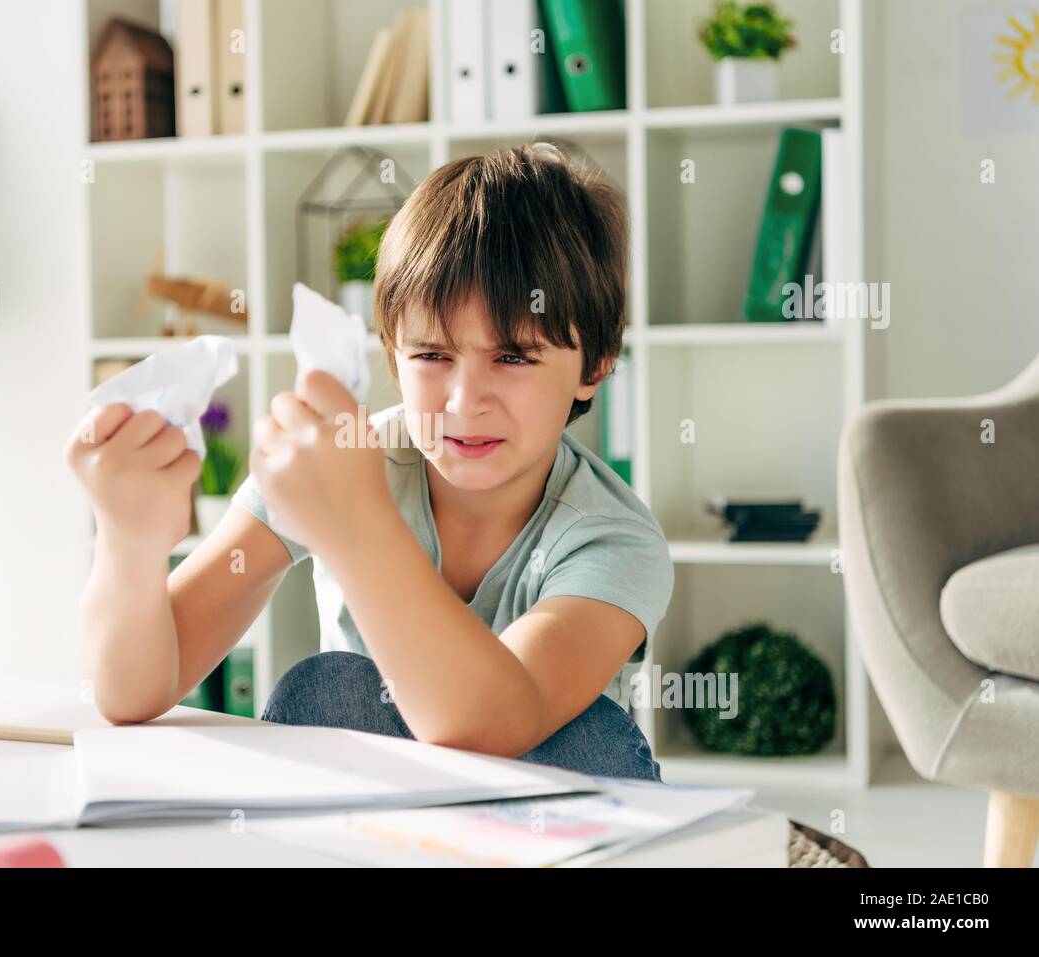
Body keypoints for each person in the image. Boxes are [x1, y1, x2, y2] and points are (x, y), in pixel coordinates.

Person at [66, 143, 673, 782]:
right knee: (331, 686)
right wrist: (129, 541)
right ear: (392, 355)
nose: (465, 402)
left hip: (540, 828)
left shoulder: (615, 540)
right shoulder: (343, 459)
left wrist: (356, 525)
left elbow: (491, 723)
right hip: (371, 815)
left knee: (595, 737)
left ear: (595, 367)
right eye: (432, 356)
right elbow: (132, 693)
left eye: (514, 357)